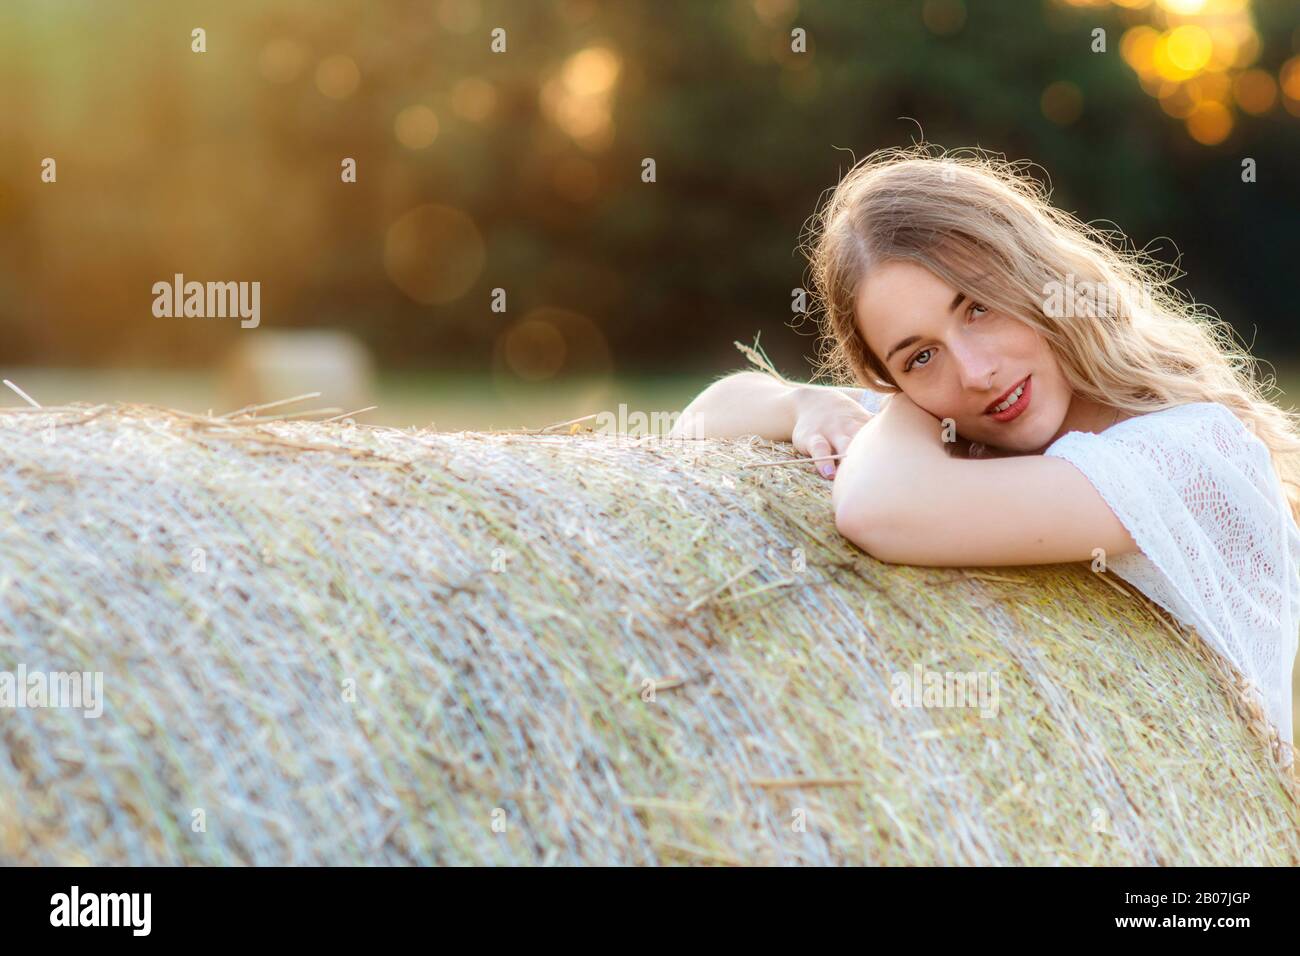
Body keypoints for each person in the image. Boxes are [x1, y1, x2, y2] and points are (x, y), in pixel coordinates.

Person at [671, 147, 1300, 771]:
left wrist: (901, 400)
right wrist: (804, 404)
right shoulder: (954, 423)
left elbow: (875, 509)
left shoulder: (1194, 452)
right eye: (919, 355)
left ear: (1039, 277)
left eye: (978, 306)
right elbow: (703, 418)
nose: (974, 373)